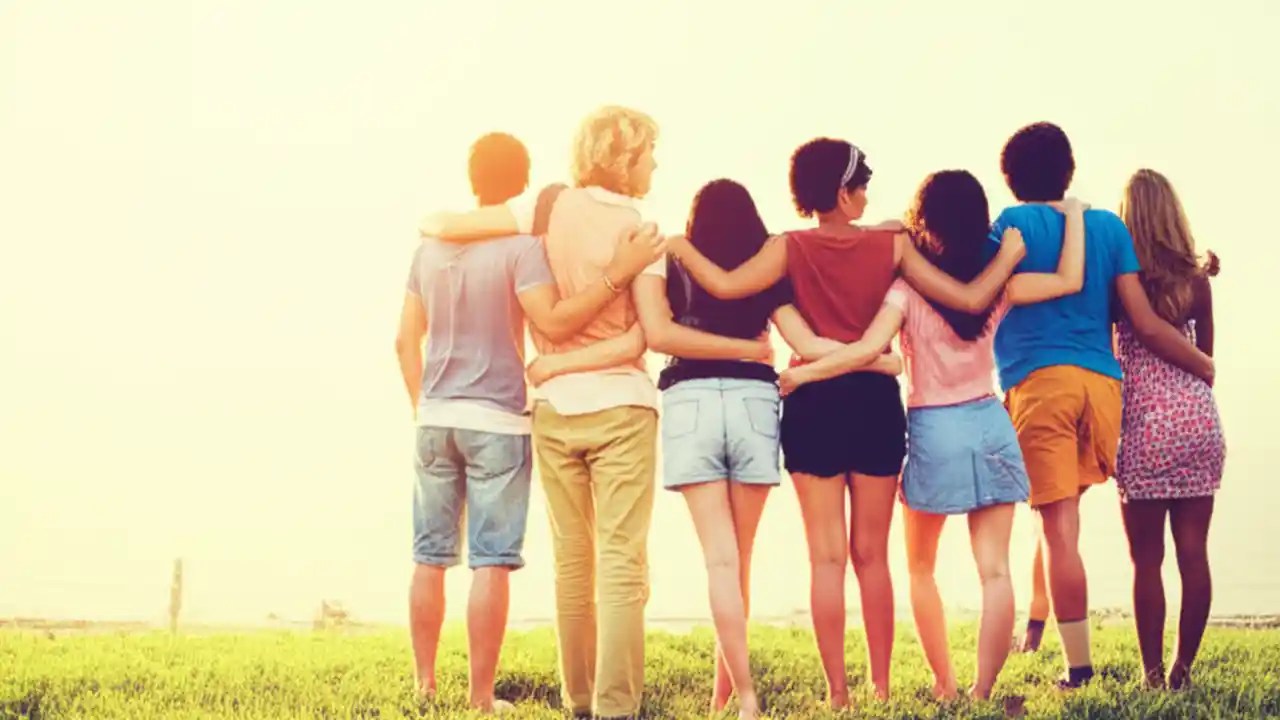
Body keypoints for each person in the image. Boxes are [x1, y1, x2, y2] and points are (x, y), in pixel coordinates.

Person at [666, 139, 1026, 707]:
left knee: (826, 559)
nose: (867, 194)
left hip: (814, 407)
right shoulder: (891, 247)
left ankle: (839, 695)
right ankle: (879, 687)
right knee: (873, 556)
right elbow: (962, 296)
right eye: (861, 185)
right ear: (842, 190)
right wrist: (1004, 260)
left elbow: (728, 286)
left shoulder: (787, 248)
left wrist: (679, 244)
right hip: (874, 402)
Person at [421, 106, 740, 720]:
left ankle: (580, 701)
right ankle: (619, 707)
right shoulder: (640, 234)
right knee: (621, 561)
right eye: (648, 153)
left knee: (573, 560)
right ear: (622, 158)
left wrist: (555, 364)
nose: (655, 164)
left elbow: (446, 224)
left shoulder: (542, 208)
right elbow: (646, 336)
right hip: (621, 406)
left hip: (555, 413)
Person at [780, 170, 1086, 700]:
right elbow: (1068, 280)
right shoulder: (1001, 281)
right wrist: (1075, 216)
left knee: (921, 569)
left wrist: (803, 372)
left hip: (933, 430)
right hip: (990, 423)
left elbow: (864, 350)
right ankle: (982, 691)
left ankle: (944, 684)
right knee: (995, 571)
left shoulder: (904, 290)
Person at [396, 130, 663, 713]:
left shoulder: (427, 251)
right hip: (500, 419)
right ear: (521, 183)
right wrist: (616, 275)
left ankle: (424, 686)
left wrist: (426, 407)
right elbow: (557, 319)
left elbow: (403, 342)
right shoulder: (521, 251)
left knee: (430, 555)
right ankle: (482, 696)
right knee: (491, 560)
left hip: (435, 417)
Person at [989, 123, 1215, 689]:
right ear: (1069, 169)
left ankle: (1078, 667)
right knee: (1061, 522)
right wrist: (1201, 267)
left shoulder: (1010, 226)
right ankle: (1040, 623)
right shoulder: (1108, 228)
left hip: (1041, 386)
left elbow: (981, 290)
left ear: (1010, 178)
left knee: (1059, 528)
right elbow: (1145, 307)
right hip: (1104, 392)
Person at [1115, 168, 1225, 690]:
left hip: (1144, 427)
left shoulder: (1122, 284)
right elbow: (1207, 356)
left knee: (1146, 562)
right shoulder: (1198, 280)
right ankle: (1183, 670)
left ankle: (1152, 674)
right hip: (1198, 420)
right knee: (1193, 553)